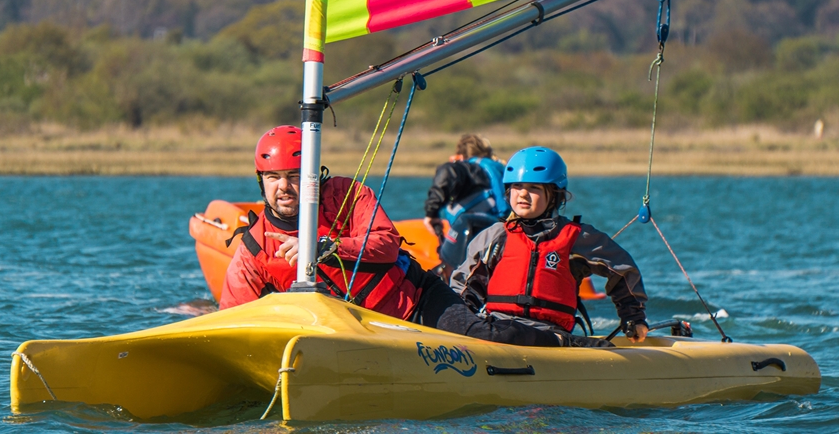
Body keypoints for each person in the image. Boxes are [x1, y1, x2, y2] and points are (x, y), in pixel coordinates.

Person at [220, 126, 602, 347]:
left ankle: (564, 343)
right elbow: (229, 322)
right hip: (355, 333)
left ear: (313, 176)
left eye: (293, 177)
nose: (284, 188)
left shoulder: (349, 195)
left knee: (477, 336)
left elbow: (386, 246)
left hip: (417, 301)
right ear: (261, 182)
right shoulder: (254, 247)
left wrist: (326, 247)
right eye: (273, 179)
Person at [450, 146, 649, 344]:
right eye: (517, 187)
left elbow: (623, 270)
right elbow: (464, 286)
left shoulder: (577, 238)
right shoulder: (495, 236)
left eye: (534, 188)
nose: (523, 195)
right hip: (497, 328)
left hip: (550, 336)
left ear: (555, 195)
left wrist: (633, 317)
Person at [422, 134, 510, 277]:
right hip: (501, 231)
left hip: (476, 231)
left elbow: (447, 173)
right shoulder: (501, 168)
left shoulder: (469, 167)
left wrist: (431, 213)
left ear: (461, 155)